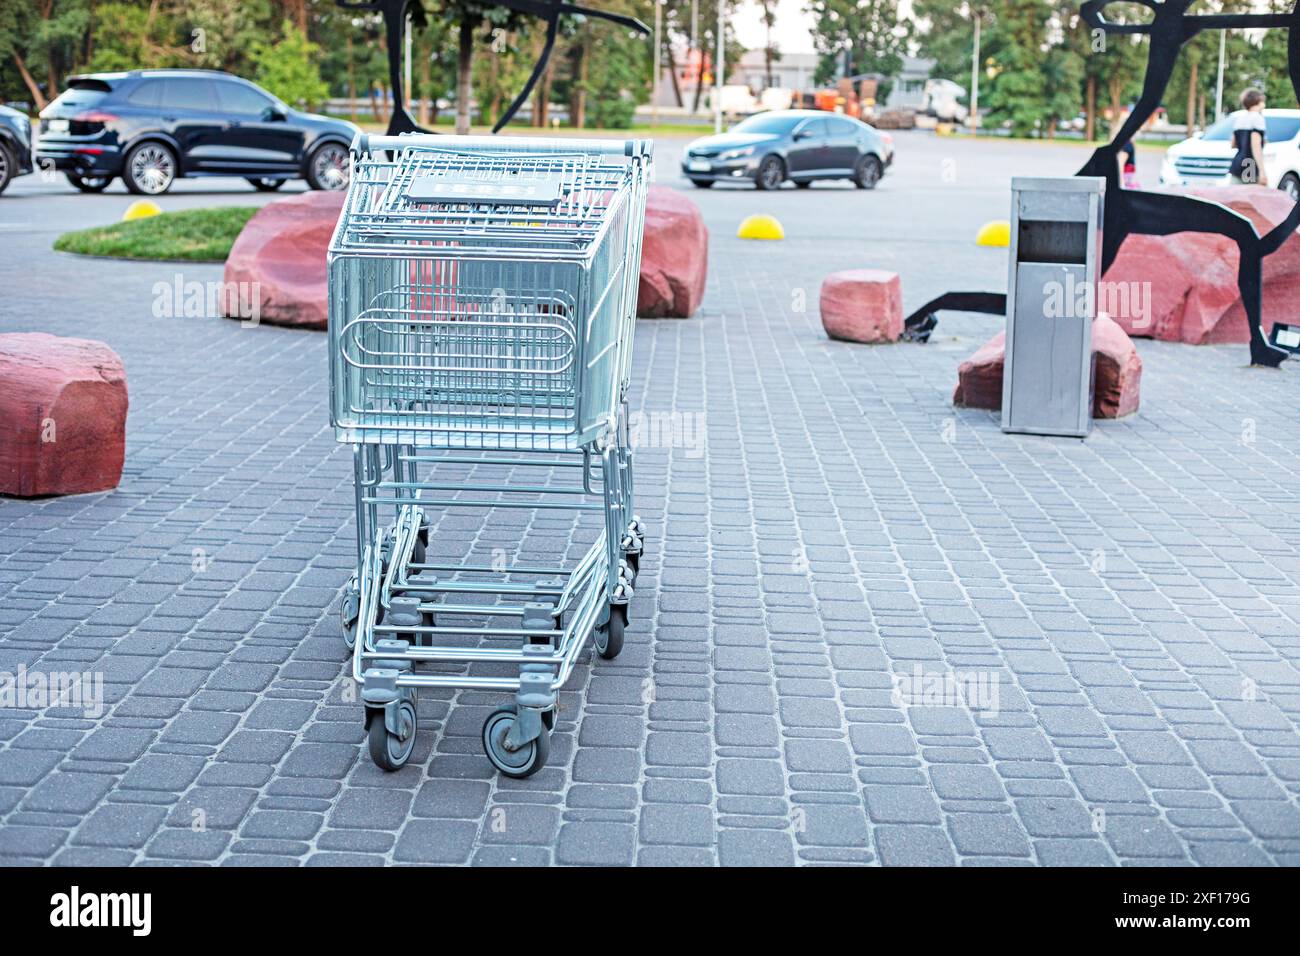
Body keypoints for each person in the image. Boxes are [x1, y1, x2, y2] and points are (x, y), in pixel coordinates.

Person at [1230, 88, 1268, 186]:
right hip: (1249, 166)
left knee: (1236, 198)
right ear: (1258, 101)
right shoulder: (1258, 118)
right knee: (1255, 198)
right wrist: (1262, 172)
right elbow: (1255, 147)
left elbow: (1233, 144)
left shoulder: (1240, 118)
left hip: (1237, 165)